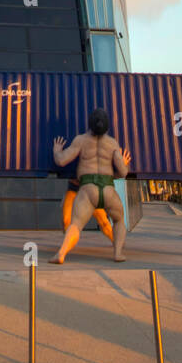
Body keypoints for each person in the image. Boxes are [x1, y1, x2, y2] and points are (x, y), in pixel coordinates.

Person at [50, 108, 130, 263]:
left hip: (87, 189)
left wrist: (56, 151)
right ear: (107, 127)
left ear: (89, 124)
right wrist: (124, 164)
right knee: (119, 220)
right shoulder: (112, 143)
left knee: (76, 225)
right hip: (107, 189)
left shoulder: (81, 140)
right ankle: (118, 253)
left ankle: (61, 254)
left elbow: (61, 161)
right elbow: (123, 173)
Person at [61, 176, 114, 242]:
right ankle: (68, 242)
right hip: (73, 191)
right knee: (66, 220)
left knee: (103, 221)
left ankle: (115, 240)